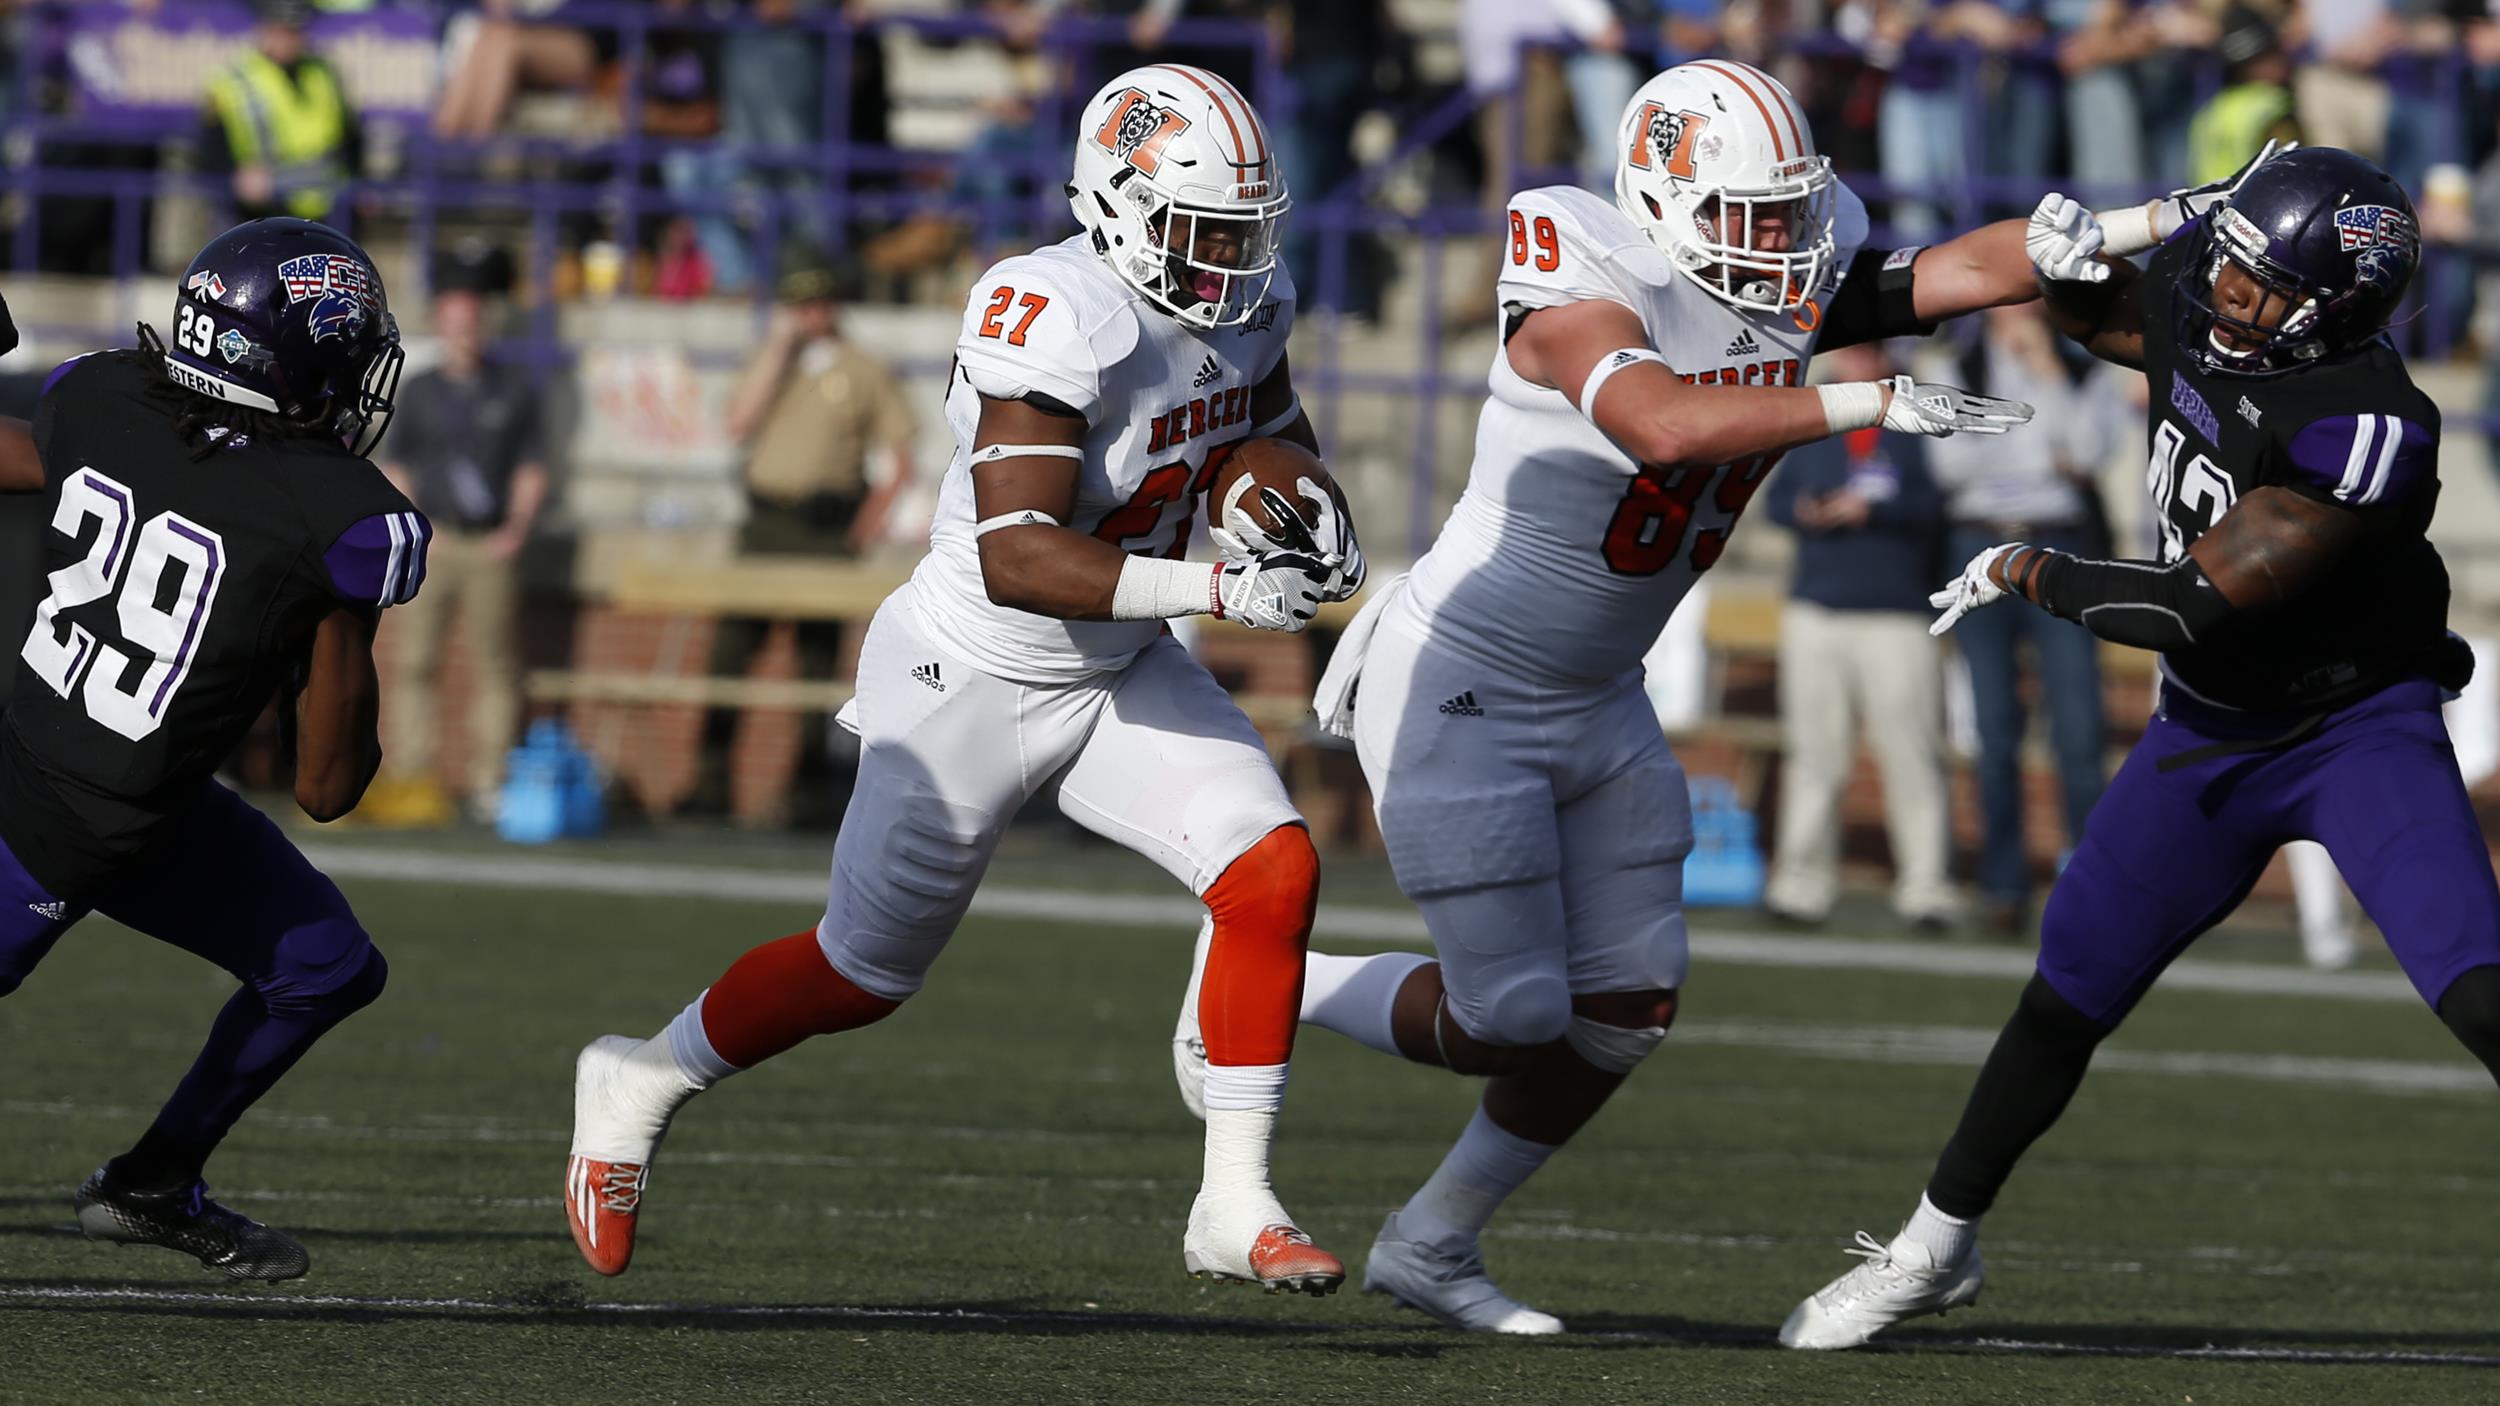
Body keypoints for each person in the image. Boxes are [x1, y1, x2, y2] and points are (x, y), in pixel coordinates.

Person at [1171, 58, 2049, 1334]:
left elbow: (1957, 272)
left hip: (1595, 686)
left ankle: (1432, 1241)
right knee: (1509, 1018)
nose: (1784, 246)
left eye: (1793, 213)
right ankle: (1261, 972)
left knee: (1625, 1007)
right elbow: (1665, 427)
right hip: (1466, 674)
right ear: (1660, 198)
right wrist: (1870, 398)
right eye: (1752, 218)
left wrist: (2140, 226)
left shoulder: (1785, 275)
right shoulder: (1580, 270)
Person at [563, 66, 1367, 1295]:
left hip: (1114, 669)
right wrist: (1217, 589)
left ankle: (1234, 1199)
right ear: (1117, 204)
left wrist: (1306, 515)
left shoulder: (1245, 303)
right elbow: (1019, 556)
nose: (1230, 261)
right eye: (1204, 231)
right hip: (971, 672)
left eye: (1244, 232)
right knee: (860, 972)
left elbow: (1259, 432)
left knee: (1275, 870)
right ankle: (644, 1073)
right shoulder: (1051, 306)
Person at [1783, 147, 2500, 1348]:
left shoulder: (2365, 420)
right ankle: (1933, 1243)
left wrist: (2028, 564)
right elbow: (2115, 320)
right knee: (2063, 998)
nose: (2223, 294)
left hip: (2348, 727)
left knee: (2478, 986)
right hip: (2206, 735)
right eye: (2227, 265)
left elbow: (2190, 602)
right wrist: (2066, 263)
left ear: (2336, 308)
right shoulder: (2218, 302)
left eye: (2260, 285)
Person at [0, 219, 422, 1280]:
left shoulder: (96, 392)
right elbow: (327, 785)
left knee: (323, 965)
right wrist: (345, 614)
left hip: (131, 786)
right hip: (60, 822)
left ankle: (153, 1183)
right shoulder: (339, 514)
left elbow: (42, 460)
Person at [684, 250, 917, 826]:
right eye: (799, 304)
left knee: (815, 668)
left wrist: (866, 525)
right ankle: (711, 781)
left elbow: (899, 455)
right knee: (729, 656)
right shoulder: (769, 361)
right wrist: (779, 349)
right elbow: (739, 424)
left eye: (818, 302)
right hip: (765, 522)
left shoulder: (864, 368)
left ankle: (808, 792)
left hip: (824, 527)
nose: (810, 314)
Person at [1927, 302, 2122, 936]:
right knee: (1993, 728)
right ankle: (2004, 886)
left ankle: (2092, 886)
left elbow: (2090, 455)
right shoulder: (1957, 368)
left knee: (2078, 729)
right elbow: (1949, 467)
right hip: (1980, 547)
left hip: (2059, 548)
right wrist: (2039, 458)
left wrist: (2048, 380)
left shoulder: (2082, 372)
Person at [1763, 340, 1958, 932]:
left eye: (1868, 354)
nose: (1858, 363)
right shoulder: (1809, 412)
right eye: (1850, 354)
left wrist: (1872, 511)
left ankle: (1925, 886)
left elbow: (1941, 502)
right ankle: (1800, 884)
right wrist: (1805, 509)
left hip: (1895, 611)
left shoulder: (1921, 413)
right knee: (1815, 754)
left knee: (1912, 753)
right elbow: (1772, 500)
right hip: (1818, 607)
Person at [370, 247, 546, 825]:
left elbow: (531, 467)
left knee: (495, 665)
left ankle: (488, 781)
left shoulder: (515, 388)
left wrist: (516, 531)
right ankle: (412, 773)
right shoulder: (419, 389)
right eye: (456, 317)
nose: (466, 328)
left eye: (474, 317)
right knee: (414, 662)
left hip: (490, 542)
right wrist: (421, 527)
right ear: (441, 322)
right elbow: (397, 468)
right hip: (434, 541)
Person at [199, 0, 363, 223]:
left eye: (296, 31)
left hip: (330, 204)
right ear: (264, 29)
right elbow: (210, 149)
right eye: (283, 30)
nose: (290, 40)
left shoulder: (324, 71)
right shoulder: (232, 81)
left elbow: (350, 135)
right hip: (265, 209)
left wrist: (360, 181)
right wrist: (235, 176)